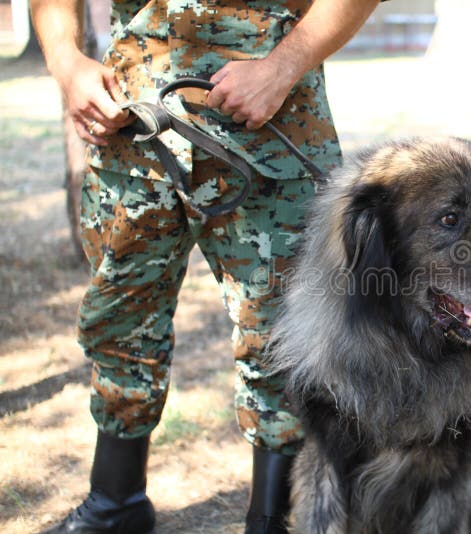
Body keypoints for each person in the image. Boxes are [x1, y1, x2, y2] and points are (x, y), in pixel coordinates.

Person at [29, 0, 381, 532]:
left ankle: (274, 519)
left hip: (270, 128)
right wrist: (66, 62)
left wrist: (281, 68)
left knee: (283, 336)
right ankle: (116, 501)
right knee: (118, 321)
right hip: (134, 128)